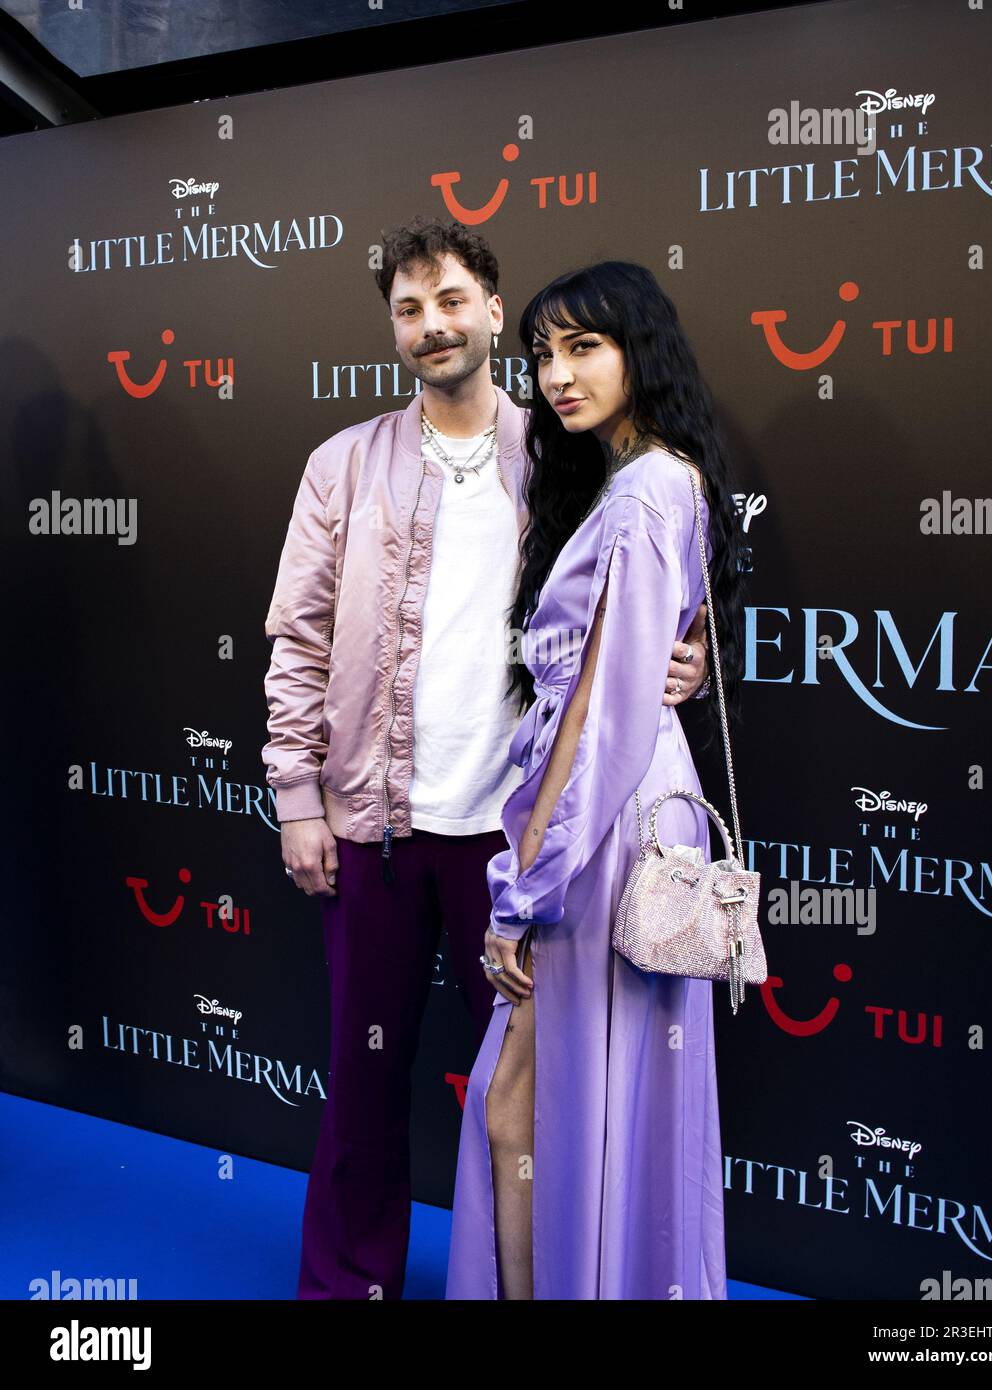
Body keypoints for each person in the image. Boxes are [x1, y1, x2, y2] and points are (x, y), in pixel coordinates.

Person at [260, 217, 712, 1300]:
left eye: (452, 300)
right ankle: (347, 1287)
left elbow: (623, 618)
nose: (432, 325)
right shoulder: (343, 466)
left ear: (493, 309)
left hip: (521, 834)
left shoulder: (564, 452)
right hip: (376, 823)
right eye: (409, 309)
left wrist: (684, 660)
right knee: (362, 1086)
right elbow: (299, 638)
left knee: (535, 1100)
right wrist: (296, 795)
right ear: (391, 328)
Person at [445, 259, 747, 1300]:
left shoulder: (647, 489)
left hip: (601, 828)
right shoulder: (645, 482)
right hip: (620, 809)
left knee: (518, 1101)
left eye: (585, 347)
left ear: (639, 351)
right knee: (543, 1098)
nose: (558, 375)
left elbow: (594, 716)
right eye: (543, 355)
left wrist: (522, 892)